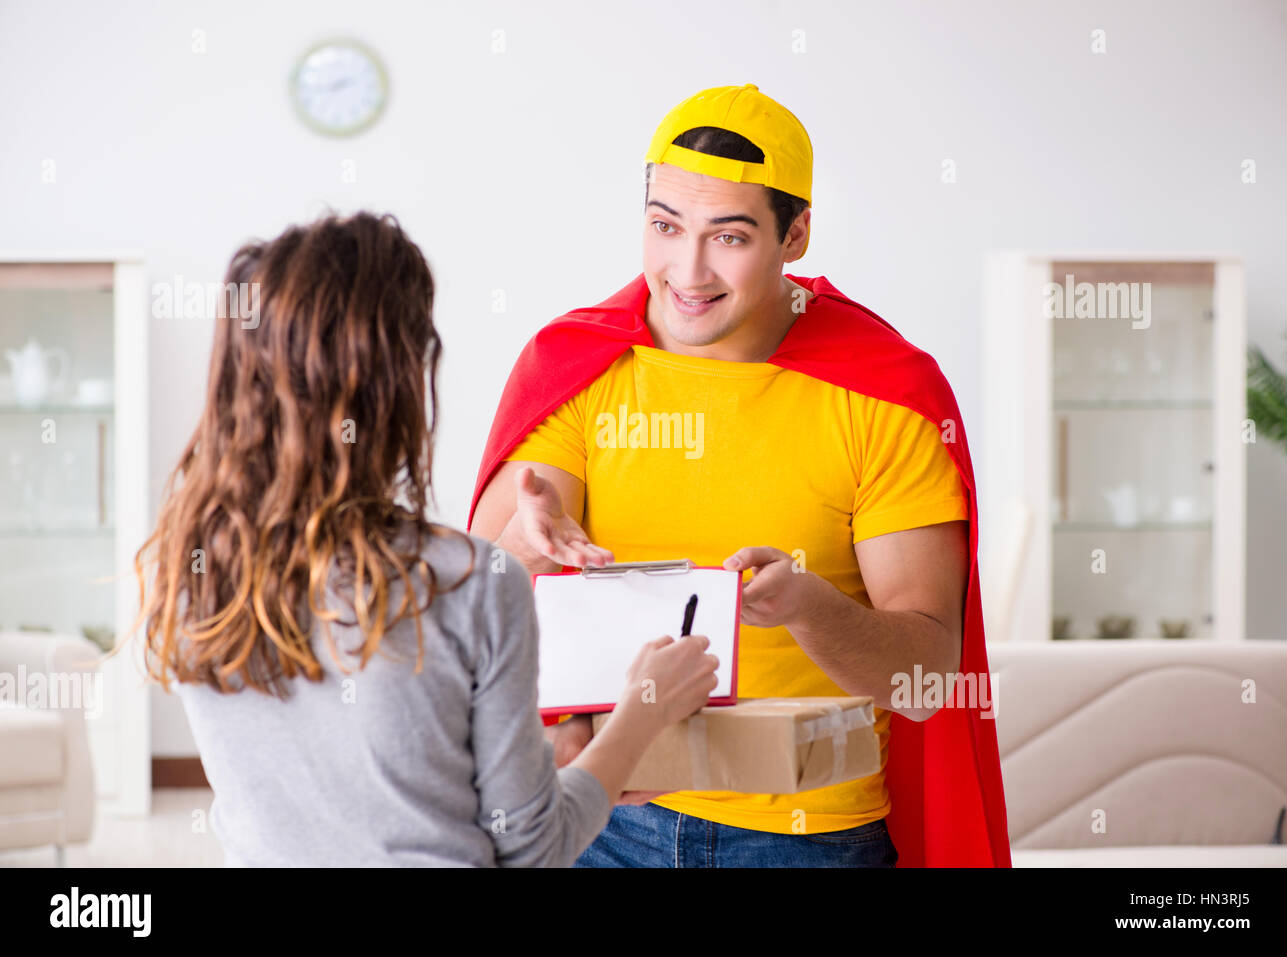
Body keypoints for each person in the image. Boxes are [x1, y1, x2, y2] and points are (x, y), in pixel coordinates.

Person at [469, 84, 1011, 867]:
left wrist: (809, 607)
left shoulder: (885, 395)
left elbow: (927, 680)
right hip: (596, 816)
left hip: (807, 836)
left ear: (796, 235)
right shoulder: (577, 368)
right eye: (665, 227)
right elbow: (471, 620)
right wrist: (526, 541)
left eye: (729, 236)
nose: (687, 271)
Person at [125, 211, 719, 867]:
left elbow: (370, 794)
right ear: (400, 382)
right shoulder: (478, 583)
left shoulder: (190, 572)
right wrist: (642, 710)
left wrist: (563, 763)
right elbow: (536, 849)